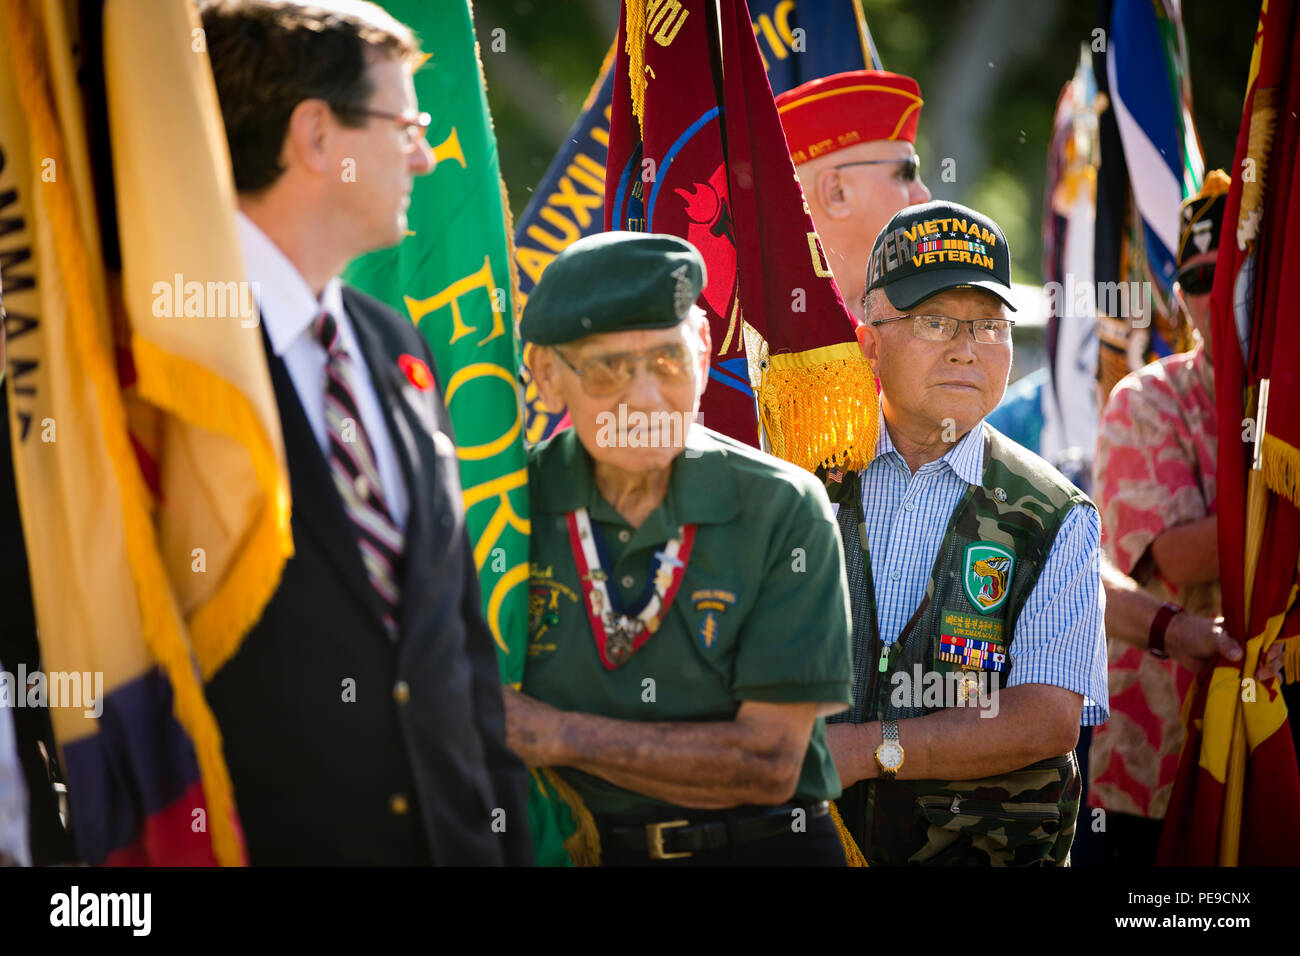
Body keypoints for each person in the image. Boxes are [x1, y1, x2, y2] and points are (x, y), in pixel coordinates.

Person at [199, 0, 530, 865]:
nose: (425, 152)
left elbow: (457, 651)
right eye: (404, 123)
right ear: (315, 137)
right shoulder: (164, 360)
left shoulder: (393, 346)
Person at [505, 231, 855, 866]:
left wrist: (552, 735)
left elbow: (769, 764)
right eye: (608, 368)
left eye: (667, 361)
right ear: (548, 377)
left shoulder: (782, 508)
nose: (643, 399)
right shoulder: (507, 512)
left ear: (701, 351)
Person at [822, 199, 1108, 866]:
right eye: (934, 320)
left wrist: (867, 752)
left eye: (989, 325)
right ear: (871, 341)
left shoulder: (1056, 514)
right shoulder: (803, 479)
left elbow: (1045, 717)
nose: (966, 348)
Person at [1086, 170, 1284, 865]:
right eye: (1199, 281)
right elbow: (1172, 557)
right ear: (1178, 299)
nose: (1216, 299)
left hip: (1273, 760)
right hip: (1155, 770)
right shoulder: (1146, 401)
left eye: (1237, 278)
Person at [775, 70, 932, 322]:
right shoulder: (761, 334)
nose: (923, 195)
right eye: (905, 173)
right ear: (836, 192)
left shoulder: (909, 325)